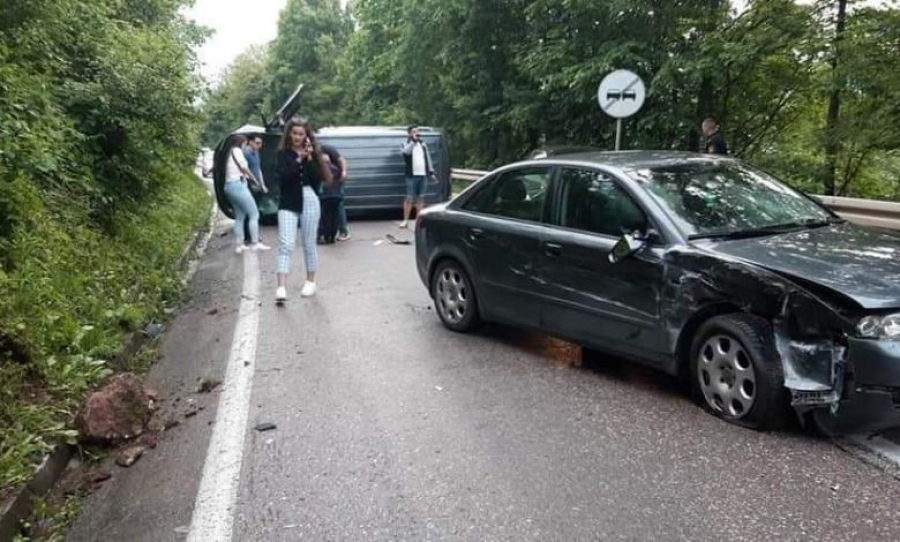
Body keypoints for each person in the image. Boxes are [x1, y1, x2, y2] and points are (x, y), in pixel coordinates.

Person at [275, 118, 333, 302]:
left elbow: (319, 179)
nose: (297, 137)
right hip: (288, 201)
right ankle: (281, 287)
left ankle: (310, 281)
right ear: (289, 134)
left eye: (301, 134)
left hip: (308, 198)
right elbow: (284, 176)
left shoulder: (312, 154)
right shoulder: (282, 154)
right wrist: (298, 159)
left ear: (306, 136)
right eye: (294, 133)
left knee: (309, 243)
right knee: (286, 243)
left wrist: (309, 159)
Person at [223, 135, 269, 254]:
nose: (245, 146)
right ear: (240, 143)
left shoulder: (229, 152)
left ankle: (240, 245)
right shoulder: (237, 151)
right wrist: (255, 181)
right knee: (254, 214)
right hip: (238, 185)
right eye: (244, 143)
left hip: (229, 186)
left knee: (240, 216)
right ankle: (255, 243)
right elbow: (244, 168)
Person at [400, 124, 438, 229]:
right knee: (409, 198)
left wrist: (431, 172)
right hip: (411, 176)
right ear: (409, 134)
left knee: (421, 198)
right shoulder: (405, 144)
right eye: (414, 132)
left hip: (423, 175)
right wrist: (413, 141)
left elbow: (428, 158)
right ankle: (405, 220)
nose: (417, 133)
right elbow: (406, 153)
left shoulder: (423, 144)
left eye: (418, 131)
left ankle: (418, 220)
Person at [317, 143, 350, 243]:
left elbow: (341, 160)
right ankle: (323, 233)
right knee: (323, 205)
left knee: (337, 203)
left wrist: (344, 172)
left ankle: (343, 231)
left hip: (336, 178)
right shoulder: (310, 152)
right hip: (323, 179)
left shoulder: (326, 148)